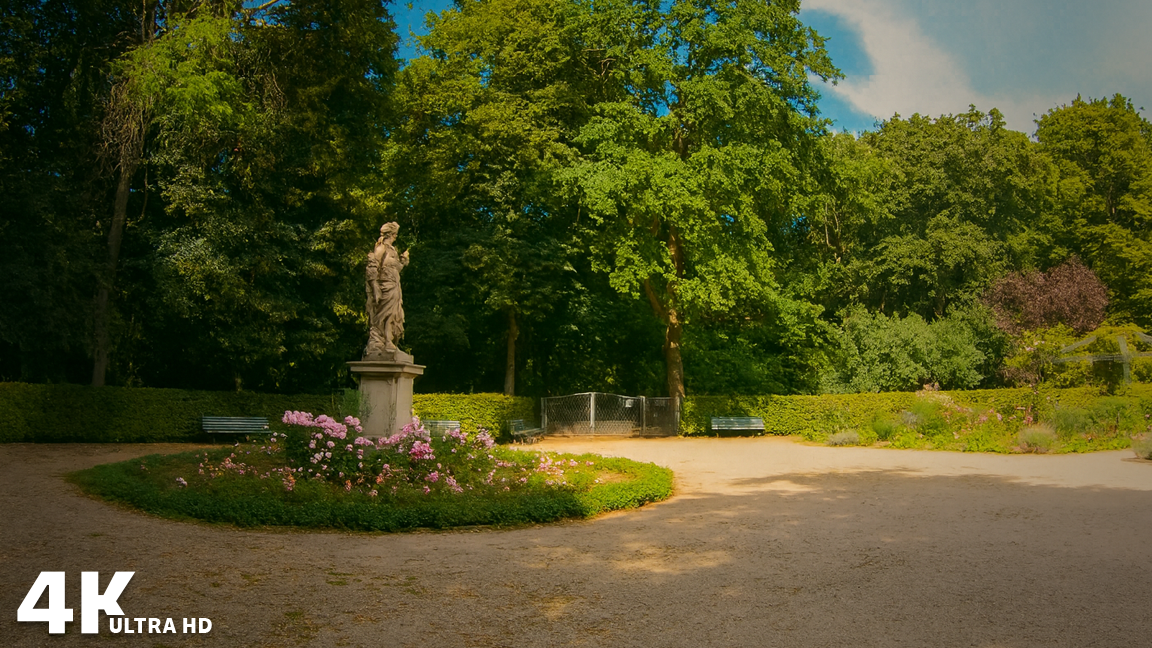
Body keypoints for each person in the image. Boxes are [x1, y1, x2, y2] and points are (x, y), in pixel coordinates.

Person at [365, 222, 409, 358]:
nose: (396, 236)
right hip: (385, 286)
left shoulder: (393, 251)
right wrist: (375, 287)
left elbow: (395, 269)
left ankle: (389, 340)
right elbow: (372, 266)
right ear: (391, 234)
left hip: (394, 286)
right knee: (383, 313)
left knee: (393, 314)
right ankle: (381, 340)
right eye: (395, 234)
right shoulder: (381, 248)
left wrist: (403, 262)